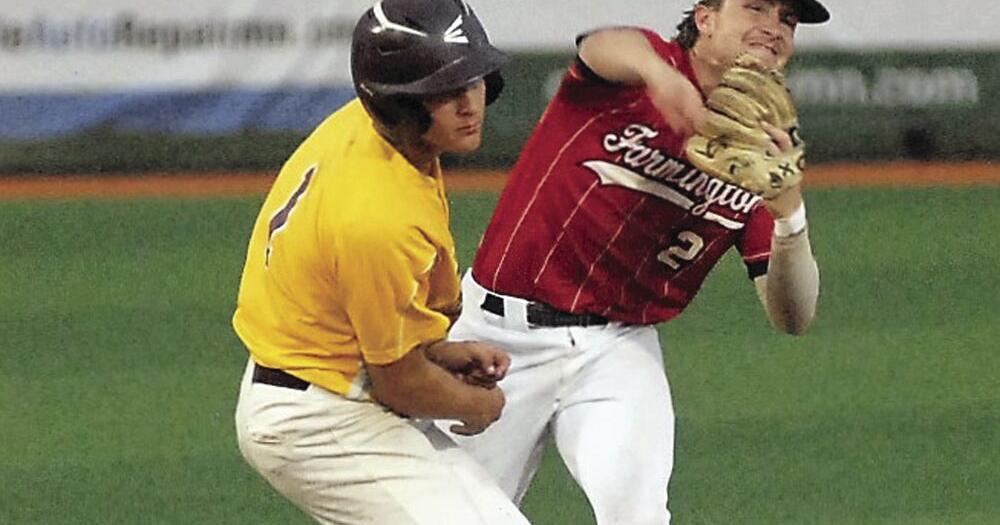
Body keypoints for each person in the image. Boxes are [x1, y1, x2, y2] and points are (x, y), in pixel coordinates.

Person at [443, 0, 827, 523]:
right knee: (450, 514)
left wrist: (790, 216)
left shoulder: (762, 147)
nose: (773, 27)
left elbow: (793, 314)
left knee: (638, 514)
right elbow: (598, 45)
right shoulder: (638, 69)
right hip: (494, 334)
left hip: (616, 349)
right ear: (705, 17)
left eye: (787, 19)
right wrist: (660, 77)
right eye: (755, 7)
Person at [231, 1, 529, 523]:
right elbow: (400, 383)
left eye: (475, 79)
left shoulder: (374, 134)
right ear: (398, 104)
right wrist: (478, 406)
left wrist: (437, 351)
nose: (470, 104)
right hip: (317, 421)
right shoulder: (377, 216)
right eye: (445, 90)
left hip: (335, 381)